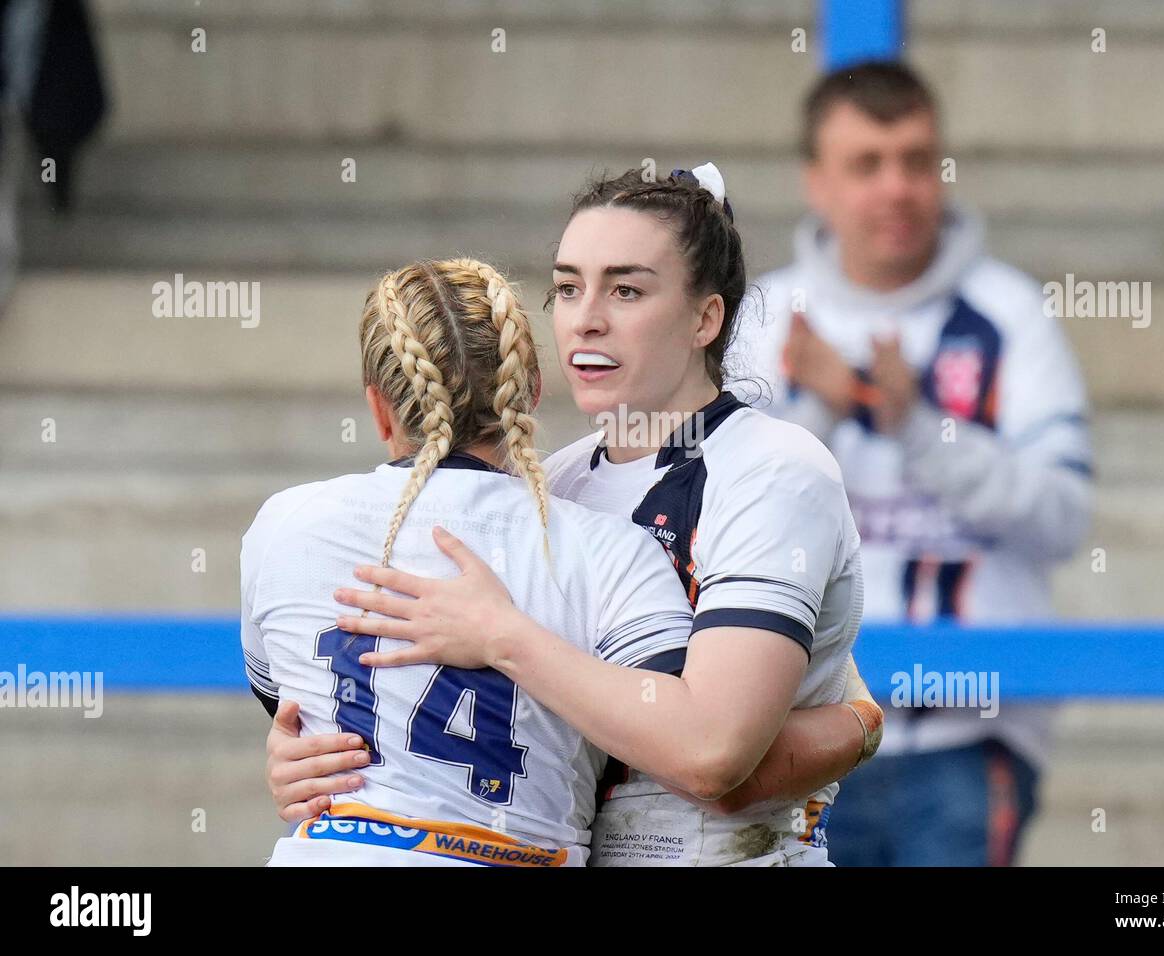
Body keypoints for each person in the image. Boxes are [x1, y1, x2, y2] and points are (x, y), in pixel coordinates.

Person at [265, 165, 884, 867]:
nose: (586, 317)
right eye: (566, 287)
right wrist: (309, 750)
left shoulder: (773, 470)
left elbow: (714, 761)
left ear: (704, 318)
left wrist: (505, 637)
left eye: (626, 289)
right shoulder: (550, 484)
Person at [734, 60, 1093, 866]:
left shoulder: (1010, 315)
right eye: (867, 165)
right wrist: (819, 415)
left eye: (917, 161)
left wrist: (916, 427)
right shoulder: (756, 323)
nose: (897, 188)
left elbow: (1063, 517)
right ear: (816, 182)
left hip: (966, 741)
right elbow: (721, 530)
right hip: (794, 745)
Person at [242, 258, 701, 866]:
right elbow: (687, 744)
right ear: (530, 392)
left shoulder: (282, 523)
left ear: (379, 409)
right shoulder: (609, 548)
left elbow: (292, 712)